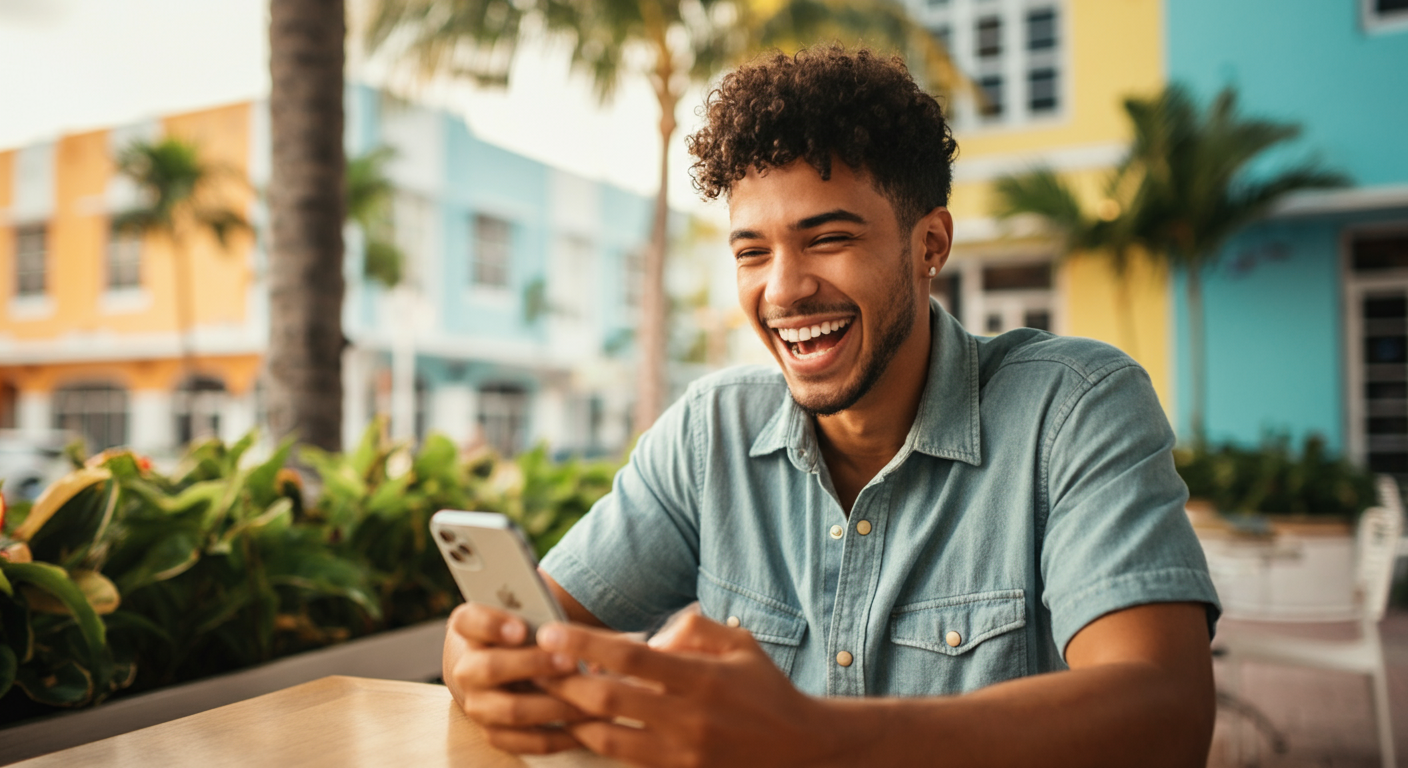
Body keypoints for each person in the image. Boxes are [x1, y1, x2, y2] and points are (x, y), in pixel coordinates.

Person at [442, 46, 1221, 767]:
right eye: (752, 251)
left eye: (827, 237)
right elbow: (538, 623)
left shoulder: (1074, 407)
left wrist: (813, 740)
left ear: (930, 246)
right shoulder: (709, 431)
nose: (782, 290)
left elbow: (1165, 712)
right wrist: (480, 657)